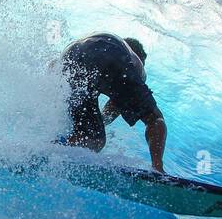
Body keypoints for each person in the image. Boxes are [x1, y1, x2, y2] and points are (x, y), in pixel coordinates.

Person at [55, 33, 167, 174]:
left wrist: (99, 122)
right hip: (107, 56)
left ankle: (51, 149)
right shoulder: (131, 58)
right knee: (154, 118)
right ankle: (158, 169)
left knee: (91, 138)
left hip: (69, 57)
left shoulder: (98, 39)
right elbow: (121, 101)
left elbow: (117, 101)